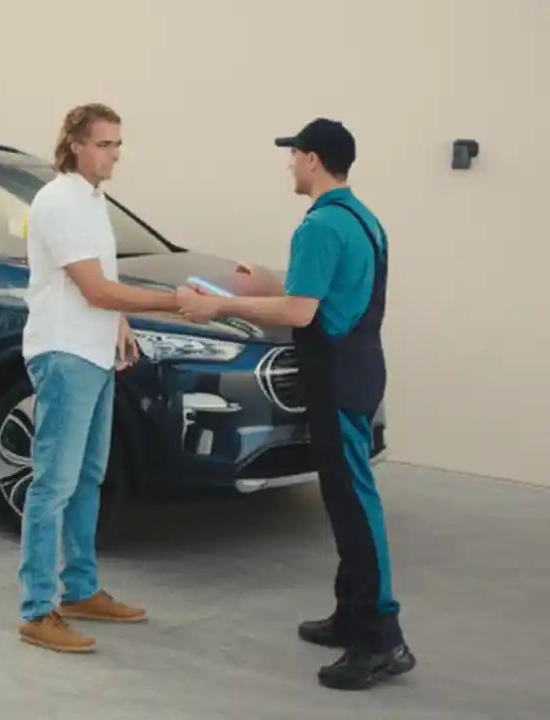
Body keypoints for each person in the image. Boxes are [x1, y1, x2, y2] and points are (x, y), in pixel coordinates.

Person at [175, 118, 415, 689]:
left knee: (355, 504)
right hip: (359, 368)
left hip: (334, 377)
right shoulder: (362, 219)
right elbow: (327, 289)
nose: (289, 164)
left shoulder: (319, 226)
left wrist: (218, 310)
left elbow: (301, 313)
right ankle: (349, 612)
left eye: (295, 155)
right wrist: (265, 282)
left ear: (313, 160)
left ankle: (382, 639)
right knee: (345, 497)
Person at [17, 103, 180, 654]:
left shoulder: (91, 198)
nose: (115, 154)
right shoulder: (60, 200)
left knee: (88, 478)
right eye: (105, 144)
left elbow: (100, 284)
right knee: (53, 485)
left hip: (94, 353)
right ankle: (37, 609)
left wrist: (121, 321)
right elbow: (94, 289)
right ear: (76, 145)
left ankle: (81, 589)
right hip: (64, 354)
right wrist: (175, 302)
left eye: (117, 144)